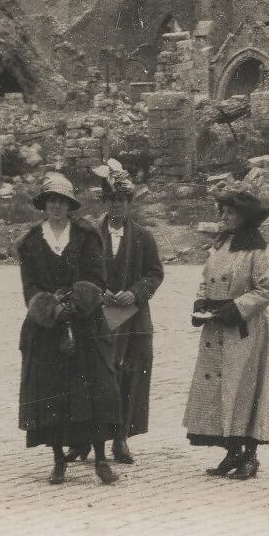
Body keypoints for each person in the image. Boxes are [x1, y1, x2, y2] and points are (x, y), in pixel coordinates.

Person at [16, 173, 122, 486]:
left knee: (96, 388)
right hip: (47, 329)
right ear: (43, 205)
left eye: (62, 201)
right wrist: (51, 308)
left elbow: (97, 276)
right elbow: (30, 285)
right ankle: (58, 459)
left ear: (70, 205)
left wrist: (76, 304)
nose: (57, 206)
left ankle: (101, 460)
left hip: (86, 324)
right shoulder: (31, 241)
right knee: (51, 392)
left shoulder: (87, 235)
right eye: (51, 200)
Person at [183, 185, 269, 480]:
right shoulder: (221, 244)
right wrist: (201, 300)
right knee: (221, 392)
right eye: (222, 210)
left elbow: (266, 290)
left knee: (244, 390)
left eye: (230, 211)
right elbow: (206, 278)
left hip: (243, 331)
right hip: (216, 328)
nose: (223, 216)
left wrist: (234, 309)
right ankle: (231, 451)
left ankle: (250, 455)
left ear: (243, 217)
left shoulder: (256, 249)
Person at [91, 161, 164, 465]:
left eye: (121, 200)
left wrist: (134, 292)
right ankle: (88, 438)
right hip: (99, 316)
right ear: (105, 202)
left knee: (130, 374)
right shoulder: (91, 234)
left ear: (128, 202)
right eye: (111, 200)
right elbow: (80, 270)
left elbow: (154, 273)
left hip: (134, 317)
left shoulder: (143, 237)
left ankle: (120, 438)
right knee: (96, 374)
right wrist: (98, 291)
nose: (117, 206)